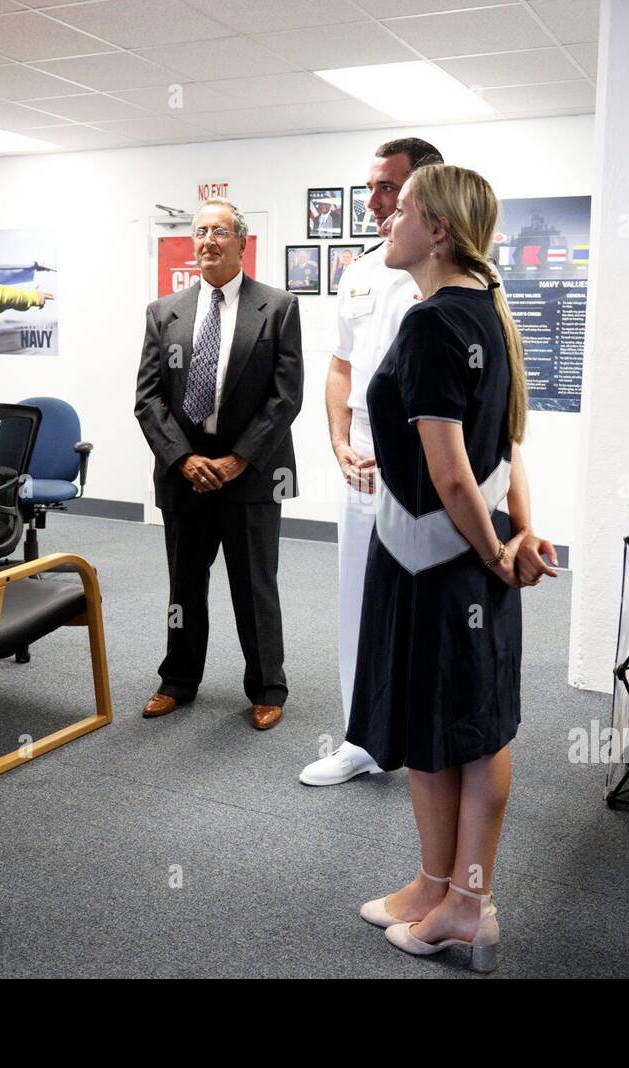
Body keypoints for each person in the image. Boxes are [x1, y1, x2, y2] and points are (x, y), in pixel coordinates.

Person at [349, 164, 558, 972]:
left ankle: (472, 905)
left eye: (400, 209)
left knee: (468, 730)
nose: (386, 220)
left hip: (443, 562)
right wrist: (518, 537)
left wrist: (496, 551)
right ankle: (437, 883)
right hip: (465, 554)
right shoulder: (483, 310)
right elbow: (509, 452)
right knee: (448, 727)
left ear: (438, 230)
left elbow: (453, 475)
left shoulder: (437, 324)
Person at [300, 137, 443, 787]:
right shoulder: (357, 272)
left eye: (391, 186)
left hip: (431, 471)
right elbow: (339, 366)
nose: (377, 200)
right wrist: (337, 442)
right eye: (373, 188)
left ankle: (432, 734)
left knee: (433, 606)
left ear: (425, 190)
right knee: (359, 600)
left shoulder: (449, 269)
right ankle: (360, 738)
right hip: (364, 464)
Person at [135, 198, 304, 730]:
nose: (208, 240)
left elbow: (285, 397)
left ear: (241, 242)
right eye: (200, 231)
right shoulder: (165, 311)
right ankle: (178, 680)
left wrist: (239, 459)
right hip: (185, 476)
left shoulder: (277, 307)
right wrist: (183, 460)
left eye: (220, 232)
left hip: (251, 476)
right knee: (184, 585)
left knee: (254, 585)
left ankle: (267, 686)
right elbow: (149, 398)